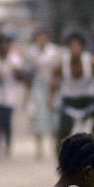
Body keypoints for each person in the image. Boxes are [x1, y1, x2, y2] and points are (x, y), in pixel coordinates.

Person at [54, 32, 94, 145]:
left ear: (83, 47)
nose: (75, 49)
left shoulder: (91, 61)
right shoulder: (62, 63)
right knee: (61, 132)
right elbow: (54, 82)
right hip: (69, 100)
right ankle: (62, 157)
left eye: (77, 46)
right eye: (72, 46)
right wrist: (51, 99)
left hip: (88, 100)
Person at [0, 33, 25, 158]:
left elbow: (20, 76)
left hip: (9, 96)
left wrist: (14, 69)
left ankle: (7, 145)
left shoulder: (14, 59)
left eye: (6, 44)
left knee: (7, 123)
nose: (3, 47)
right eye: (0, 45)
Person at [23, 28, 60, 160]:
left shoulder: (55, 51)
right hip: (37, 86)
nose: (41, 40)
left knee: (53, 118)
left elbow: (58, 71)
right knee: (38, 117)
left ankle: (54, 146)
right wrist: (26, 93)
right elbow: (27, 74)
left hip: (52, 87)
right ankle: (39, 148)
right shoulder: (31, 53)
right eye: (39, 38)